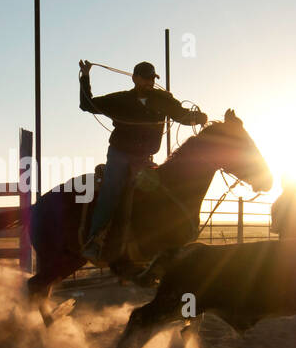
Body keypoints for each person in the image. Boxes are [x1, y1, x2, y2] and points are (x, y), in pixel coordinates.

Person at [78, 59, 207, 262]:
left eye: (152, 79)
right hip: (120, 154)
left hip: (144, 158)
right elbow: (87, 104)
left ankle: (150, 240)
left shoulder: (163, 100)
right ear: (135, 78)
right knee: (111, 190)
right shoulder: (120, 100)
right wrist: (85, 77)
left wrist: (198, 117)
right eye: (146, 78)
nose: (149, 82)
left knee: (158, 189)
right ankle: (95, 239)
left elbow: (182, 116)